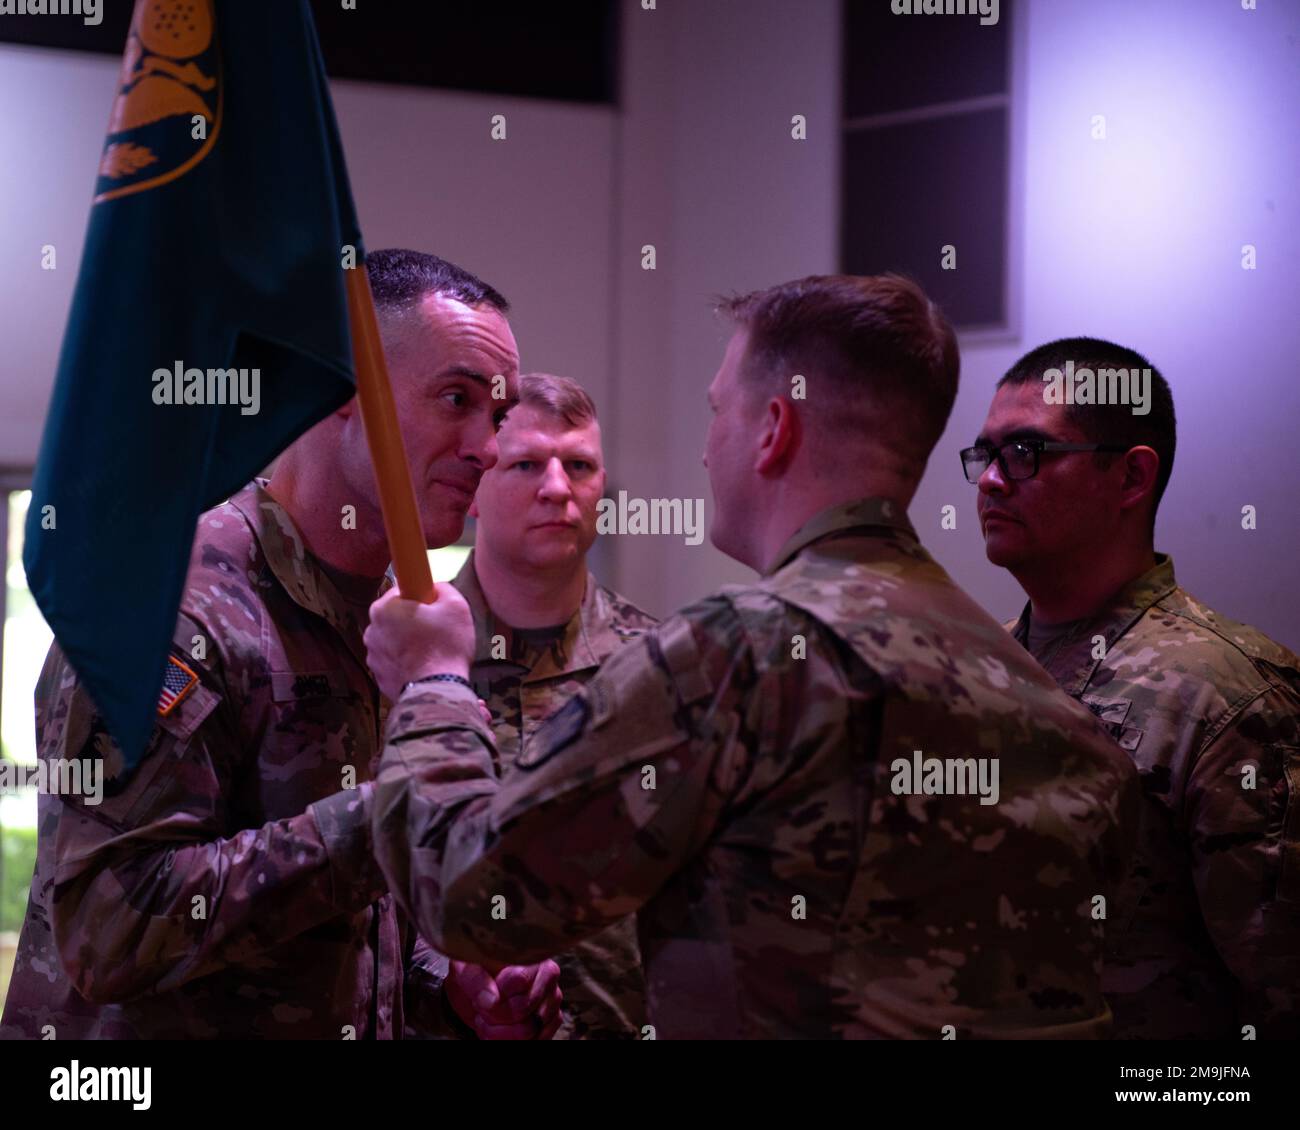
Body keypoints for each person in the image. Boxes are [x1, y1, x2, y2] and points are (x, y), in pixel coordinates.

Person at [364, 274, 1139, 1040]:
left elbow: (470, 898)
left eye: (716, 412)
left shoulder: (736, 660)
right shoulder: (1050, 703)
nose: (706, 454)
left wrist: (433, 680)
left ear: (774, 429)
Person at [0, 248, 563, 1040]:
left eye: (498, 416)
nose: (488, 447)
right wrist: (387, 820)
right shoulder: (174, 608)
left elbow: (342, 928)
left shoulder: (399, 621)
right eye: (456, 399)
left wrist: (447, 987)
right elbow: (109, 930)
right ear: (340, 390)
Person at [966, 337, 1300, 1039]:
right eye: (985, 455)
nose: (990, 481)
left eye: (1025, 451)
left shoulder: (1227, 695)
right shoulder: (973, 666)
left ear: (1130, 477)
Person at [452, 372, 657, 1039]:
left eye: (579, 466)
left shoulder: (662, 668)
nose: (558, 488)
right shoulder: (409, 656)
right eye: (526, 465)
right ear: (474, 488)